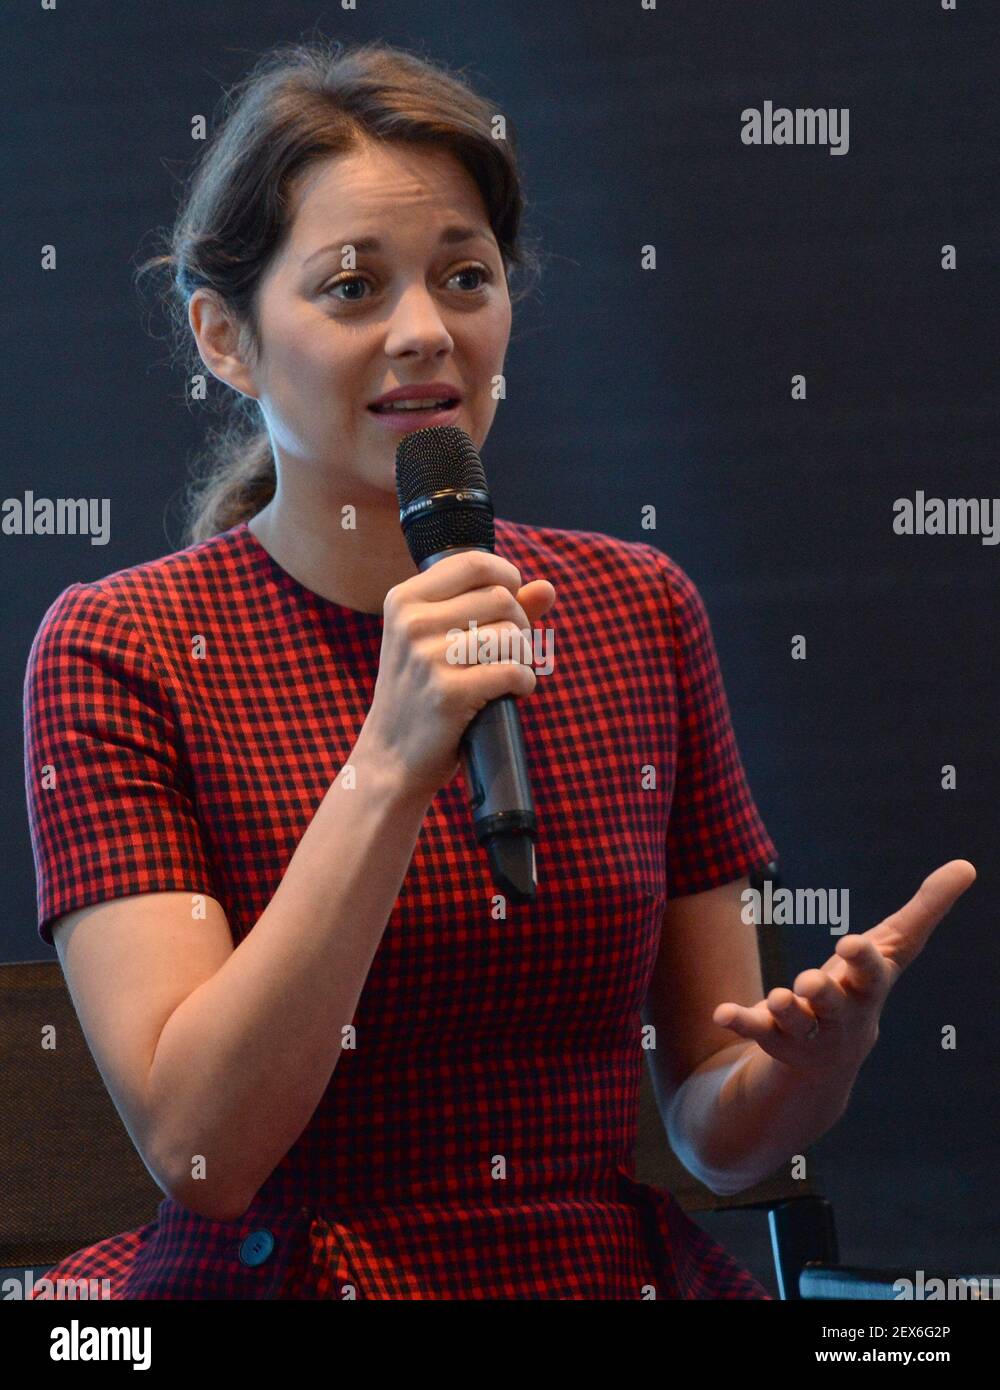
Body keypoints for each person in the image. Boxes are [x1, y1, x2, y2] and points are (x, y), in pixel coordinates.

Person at [24, 39, 974, 1301]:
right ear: (226, 339)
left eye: (464, 276)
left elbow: (712, 1127)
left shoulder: (638, 609)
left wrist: (812, 1065)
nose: (425, 332)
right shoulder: (120, 648)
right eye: (354, 289)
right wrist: (389, 758)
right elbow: (203, 1149)